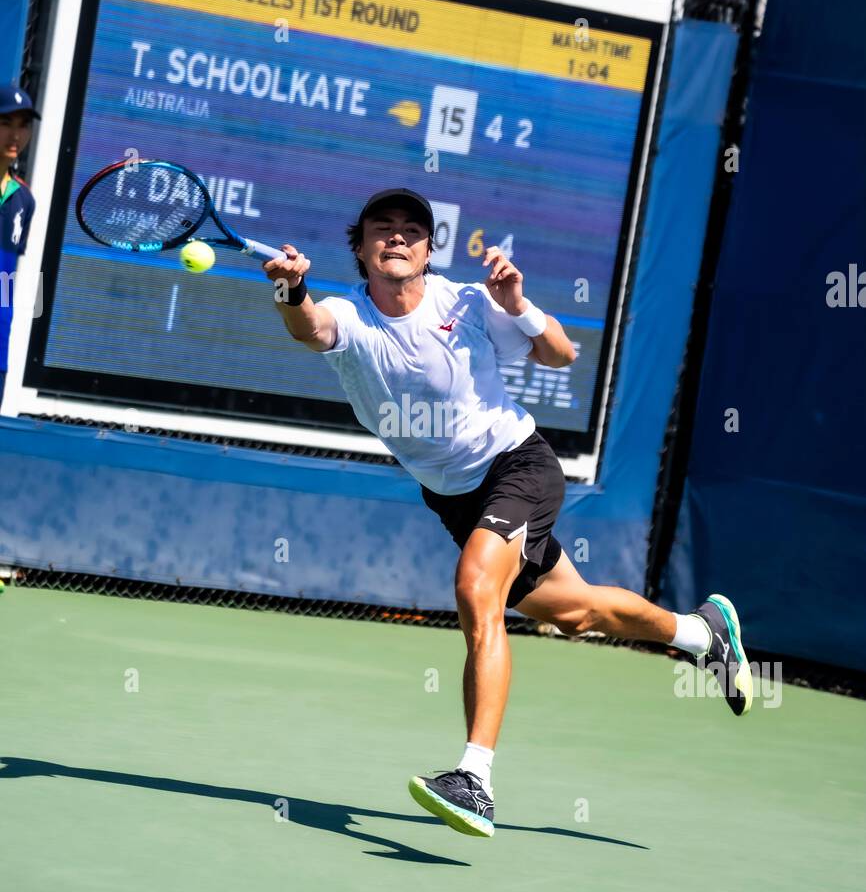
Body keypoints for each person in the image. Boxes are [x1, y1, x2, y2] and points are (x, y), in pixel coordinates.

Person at [263, 188, 752, 839]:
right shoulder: (348, 317)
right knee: (576, 613)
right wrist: (290, 291)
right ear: (361, 248)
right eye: (384, 228)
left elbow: (561, 354)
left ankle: (475, 777)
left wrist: (517, 305)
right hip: (453, 496)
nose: (399, 237)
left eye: (413, 230)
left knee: (475, 587)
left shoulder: (467, 301)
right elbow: (309, 329)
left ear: (430, 250)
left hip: (517, 467)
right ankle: (703, 634)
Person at [0, 84, 38, 410]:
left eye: (23, 124)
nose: (16, 134)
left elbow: (5, 279)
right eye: (5, 123)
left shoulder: (24, 199)